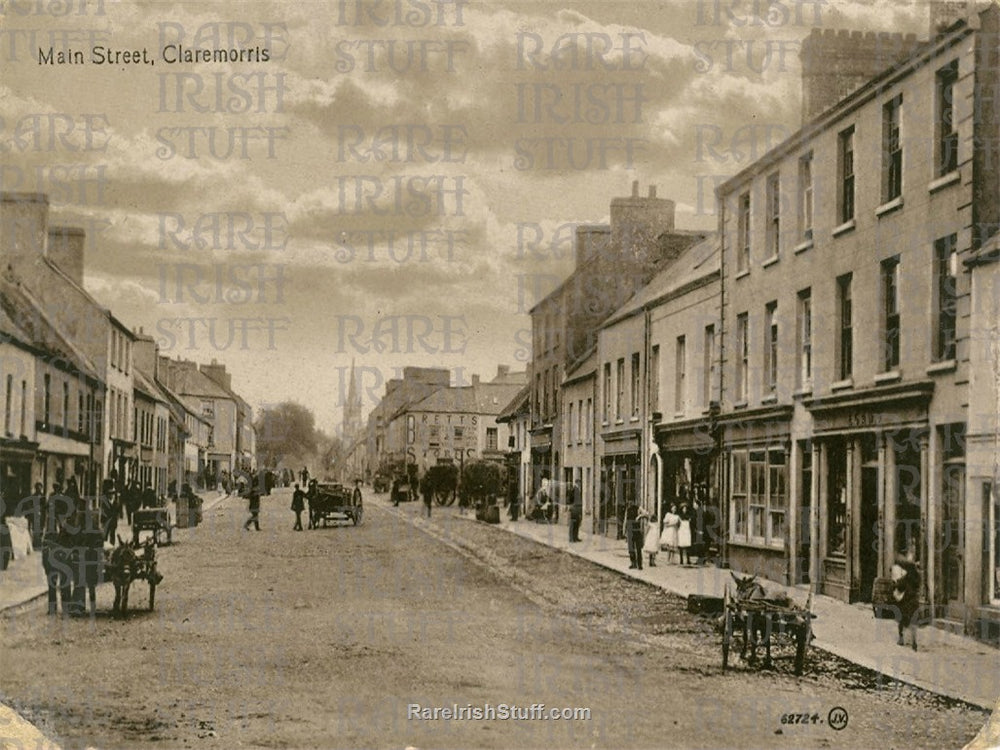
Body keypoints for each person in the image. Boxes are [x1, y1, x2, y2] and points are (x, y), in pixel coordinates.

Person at [42, 487, 75, 615]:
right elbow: (46, 538)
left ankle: (66, 607)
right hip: (51, 554)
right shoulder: (50, 522)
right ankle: (52, 607)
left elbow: (71, 539)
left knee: (65, 581)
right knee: (51, 581)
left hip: (63, 555)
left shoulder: (67, 522)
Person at [624, 498, 645, 570]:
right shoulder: (627, 510)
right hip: (630, 530)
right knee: (631, 548)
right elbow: (625, 520)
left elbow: (646, 514)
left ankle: (640, 564)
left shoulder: (638, 508)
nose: (630, 503)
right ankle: (633, 563)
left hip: (637, 530)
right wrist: (624, 530)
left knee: (638, 548)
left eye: (631, 501)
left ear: (634, 501)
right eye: (629, 501)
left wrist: (639, 516)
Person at [678, 500, 693, 566]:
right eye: (683, 509)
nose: (684, 510)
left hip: (687, 532)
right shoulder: (679, 516)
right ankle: (681, 560)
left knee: (688, 546)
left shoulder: (689, 516)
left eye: (685, 509)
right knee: (681, 546)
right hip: (681, 532)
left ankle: (688, 560)